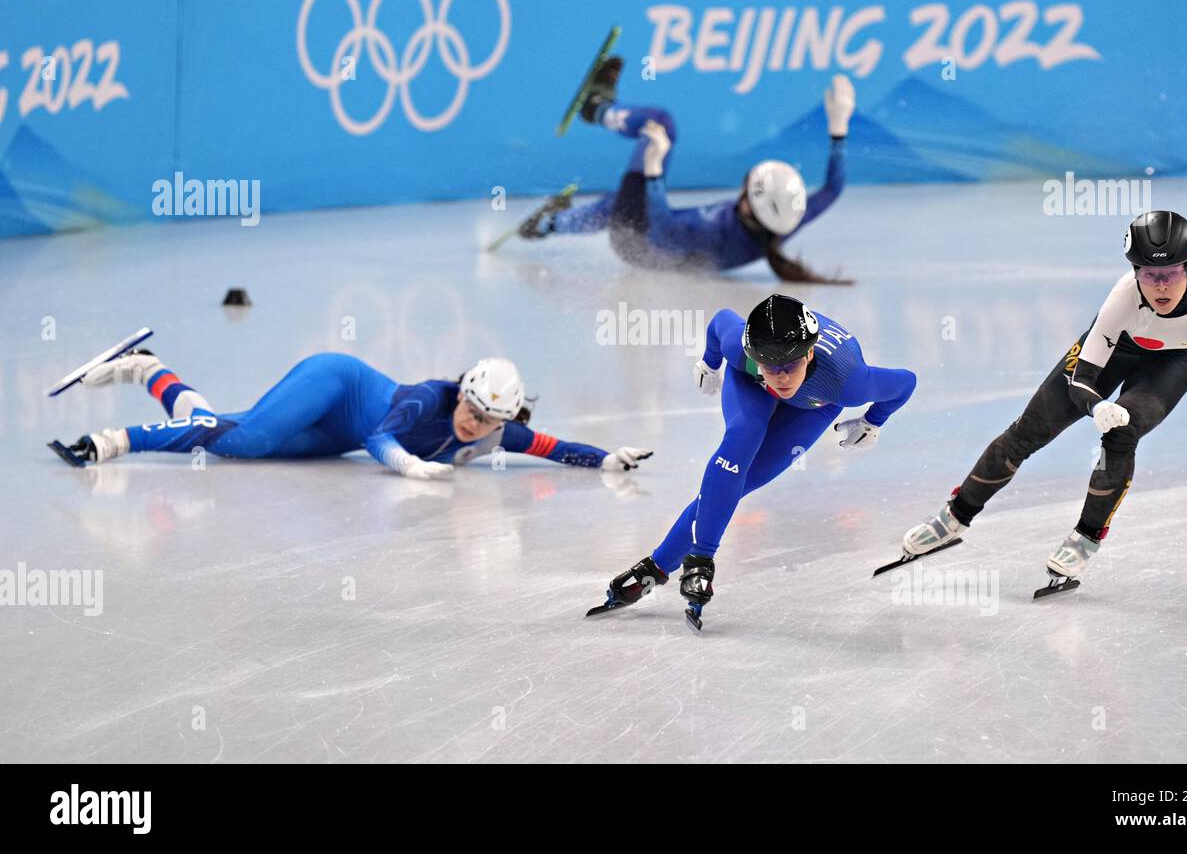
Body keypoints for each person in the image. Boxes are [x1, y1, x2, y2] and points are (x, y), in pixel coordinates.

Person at [899, 210, 1187, 587]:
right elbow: (1082, 380)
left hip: (1175, 361)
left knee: (1123, 433)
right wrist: (1097, 404)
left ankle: (1086, 539)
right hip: (1117, 346)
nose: (1161, 286)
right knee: (1030, 430)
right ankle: (954, 516)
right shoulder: (1122, 299)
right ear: (1134, 271)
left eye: (1170, 273)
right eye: (1149, 275)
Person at [588, 294, 917, 628]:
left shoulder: (850, 384)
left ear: (810, 353)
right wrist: (710, 362)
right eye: (770, 368)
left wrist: (873, 422)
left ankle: (656, 567)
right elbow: (720, 321)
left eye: (789, 367)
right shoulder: (743, 353)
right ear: (754, 356)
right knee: (743, 434)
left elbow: (907, 382)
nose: (781, 378)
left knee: (741, 484)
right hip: (749, 383)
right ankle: (697, 561)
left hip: (818, 401)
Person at [49, 349, 652, 478]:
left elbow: (551, 447)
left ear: (501, 421)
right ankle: (113, 441)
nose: (469, 424)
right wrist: (415, 471)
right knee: (247, 442)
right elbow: (380, 438)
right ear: (462, 393)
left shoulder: (499, 432)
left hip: (333, 437)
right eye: (468, 409)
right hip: (335, 385)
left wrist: (606, 459)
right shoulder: (423, 398)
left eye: (484, 422)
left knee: (227, 436)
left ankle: (149, 369)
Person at [513, 58, 855, 283]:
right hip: (647, 244)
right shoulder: (780, 223)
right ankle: (547, 224)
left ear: (751, 207)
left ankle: (596, 108)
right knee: (618, 203)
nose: (744, 186)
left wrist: (653, 170)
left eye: (750, 188)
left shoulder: (717, 232)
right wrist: (838, 128)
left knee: (661, 125)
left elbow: (660, 226)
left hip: (642, 244)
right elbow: (832, 191)